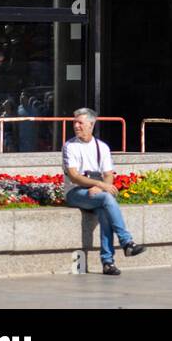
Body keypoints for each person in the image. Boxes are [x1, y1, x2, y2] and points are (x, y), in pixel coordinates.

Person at [62, 108, 146, 276]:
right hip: (75, 193)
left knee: (104, 210)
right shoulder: (69, 146)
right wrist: (100, 184)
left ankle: (108, 263)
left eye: (80, 123)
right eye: (75, 123)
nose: (76, 126)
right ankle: (126, 242)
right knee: (107, 199)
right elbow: (74, 176)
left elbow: (108, 175)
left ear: (91, 124)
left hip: (96, 193)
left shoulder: (102, 147)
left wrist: (99, 187)